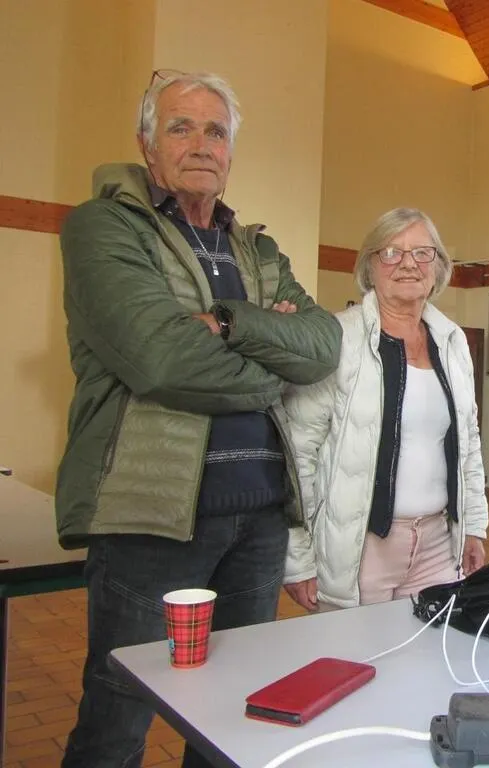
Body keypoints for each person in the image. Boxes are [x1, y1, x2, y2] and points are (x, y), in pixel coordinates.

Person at [56, 70, 341, 767]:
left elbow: (321, 345)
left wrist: (228, 322)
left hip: (260, 515)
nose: (201, 144)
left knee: (235, 715)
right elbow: (160, 359)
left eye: (216, 131)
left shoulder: (257, 249)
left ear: (231, 150)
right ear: (147, 144)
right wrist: (272, 366)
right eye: (180, 127)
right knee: (120, 711)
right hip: (150, 516)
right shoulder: (104, 227)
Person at [283, 208, 488, 611]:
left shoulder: (452, 341)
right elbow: (296, 455)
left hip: (438, 545)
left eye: (422, 253)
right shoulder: (337, 337)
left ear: (438, 266)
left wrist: (474, 526)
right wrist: (297, 559)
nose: (409, 263)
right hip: (359, 549)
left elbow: (469, 444)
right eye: (392, 252)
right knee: (355, 651)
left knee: (433, 648)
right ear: (370, 266)